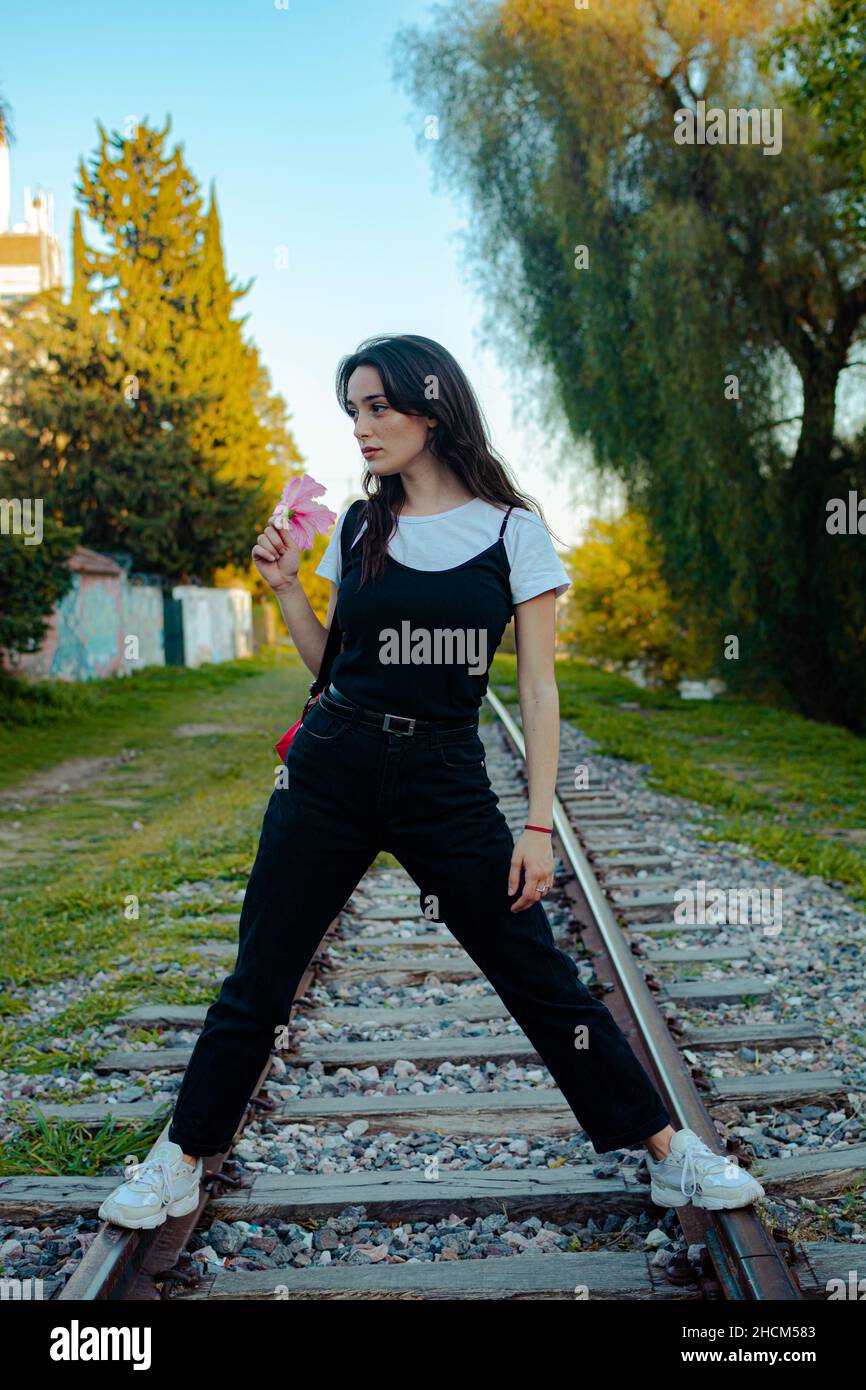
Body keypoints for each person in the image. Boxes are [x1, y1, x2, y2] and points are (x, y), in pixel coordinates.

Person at [99, 334, 764, 1229]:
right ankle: (179, 1159)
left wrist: (537, 824)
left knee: (537, 972)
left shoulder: (511, 532)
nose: (363, 430)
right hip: (330, 764)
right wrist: (288, 588)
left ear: (432, 407)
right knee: (260, 972)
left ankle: (667, 1152)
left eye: (378, 408)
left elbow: (536, 685)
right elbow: (331, 663)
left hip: (444, 776)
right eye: (353, 413)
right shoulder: (361, 527)